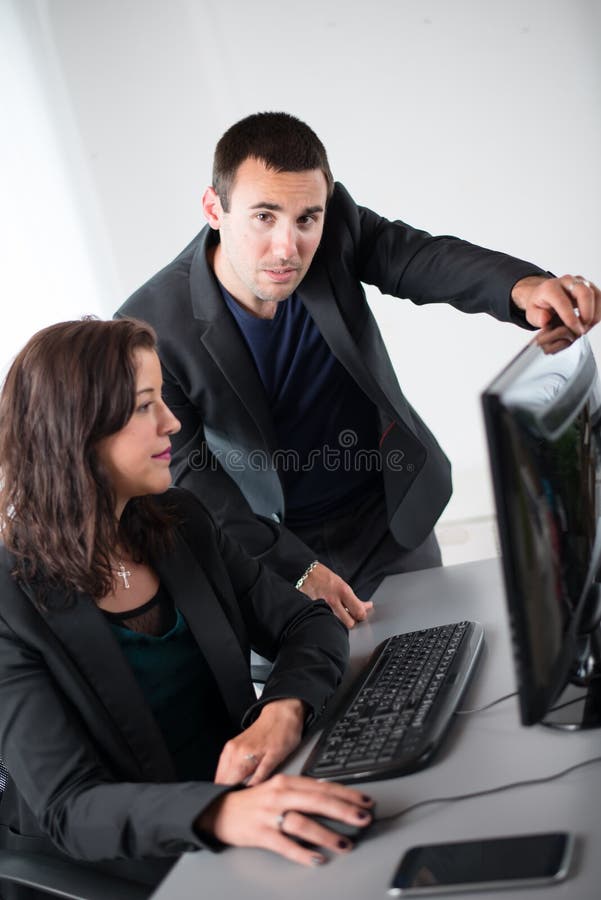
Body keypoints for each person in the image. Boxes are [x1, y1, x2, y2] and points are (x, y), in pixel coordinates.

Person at [117, 111, 601, 629]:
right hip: (268, 547)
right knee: (326, 700)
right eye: (264, 216)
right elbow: (190, 479)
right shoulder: (150, 327)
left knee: (441, 666)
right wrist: (298, 568)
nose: (288, 247)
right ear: (215, 207)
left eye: (307, 218)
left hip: (385, 521)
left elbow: (421, 259)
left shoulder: (337, 230)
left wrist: (522, 287)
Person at [0, 318, 374, 899]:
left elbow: (307, 621)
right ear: (77, 432)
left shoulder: (182, 522)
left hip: (245, 805)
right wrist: (221, 814)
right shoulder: (9, 598)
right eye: (145, 405)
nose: (172, 422)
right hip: (122, 855)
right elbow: (71, 807)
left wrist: (284, 707)